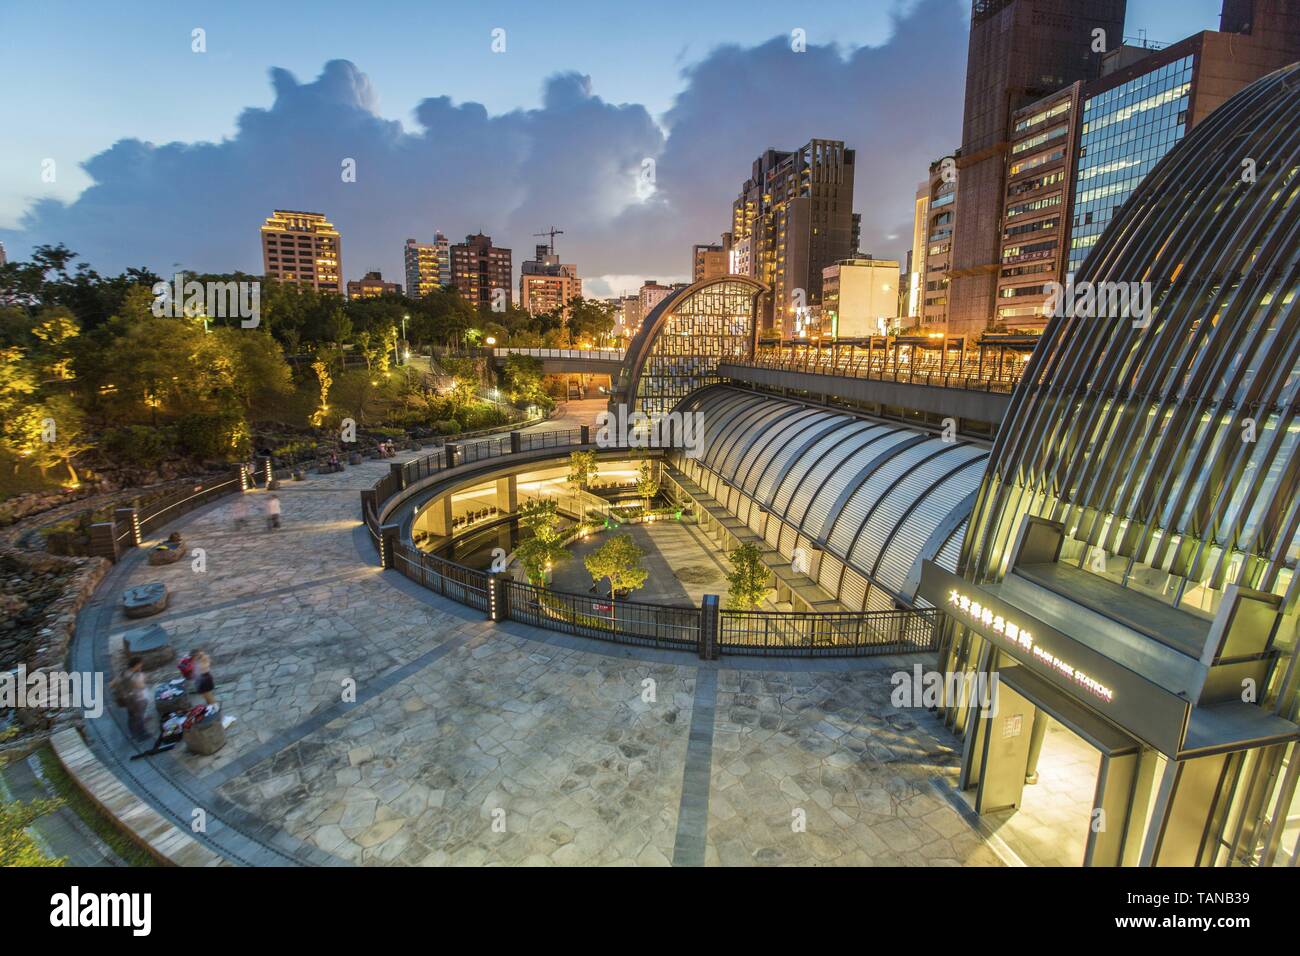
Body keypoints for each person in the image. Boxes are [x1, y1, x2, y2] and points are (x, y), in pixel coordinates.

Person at [117, 656, 151, 742]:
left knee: (132, 717)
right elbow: (141, 686)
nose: (141, 666)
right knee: (137, 717)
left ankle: (133, 733)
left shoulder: (126, 672)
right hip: (134, 700)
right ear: (136, 665)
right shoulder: (131, 676)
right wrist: (142, 676)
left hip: (128, 699)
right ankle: (140, 734)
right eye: (140, 664)